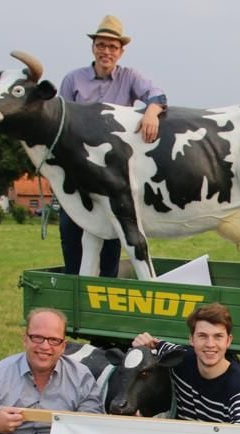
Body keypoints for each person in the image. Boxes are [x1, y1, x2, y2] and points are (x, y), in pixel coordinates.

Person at [58, 14, 168, 277]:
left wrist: (151, 112)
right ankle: (74, 286)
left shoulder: (129, 78)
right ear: (93, 47)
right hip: (77, 169)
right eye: (102, 45)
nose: (106, 51)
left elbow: (157, 94)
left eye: (112, 47)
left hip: (109, 172)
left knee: (112, 229)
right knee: (71, 227)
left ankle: (106, 284)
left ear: (120, 51)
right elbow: (59, 120)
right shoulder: (73, 80)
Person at [131, 303, 240, 424]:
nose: (210, 344)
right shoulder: (180, 358)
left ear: (228, 341)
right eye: (202, 336)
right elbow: (154, 344)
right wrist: (144, 341)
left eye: (218, 337)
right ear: (191, 339)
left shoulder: (238, 384)